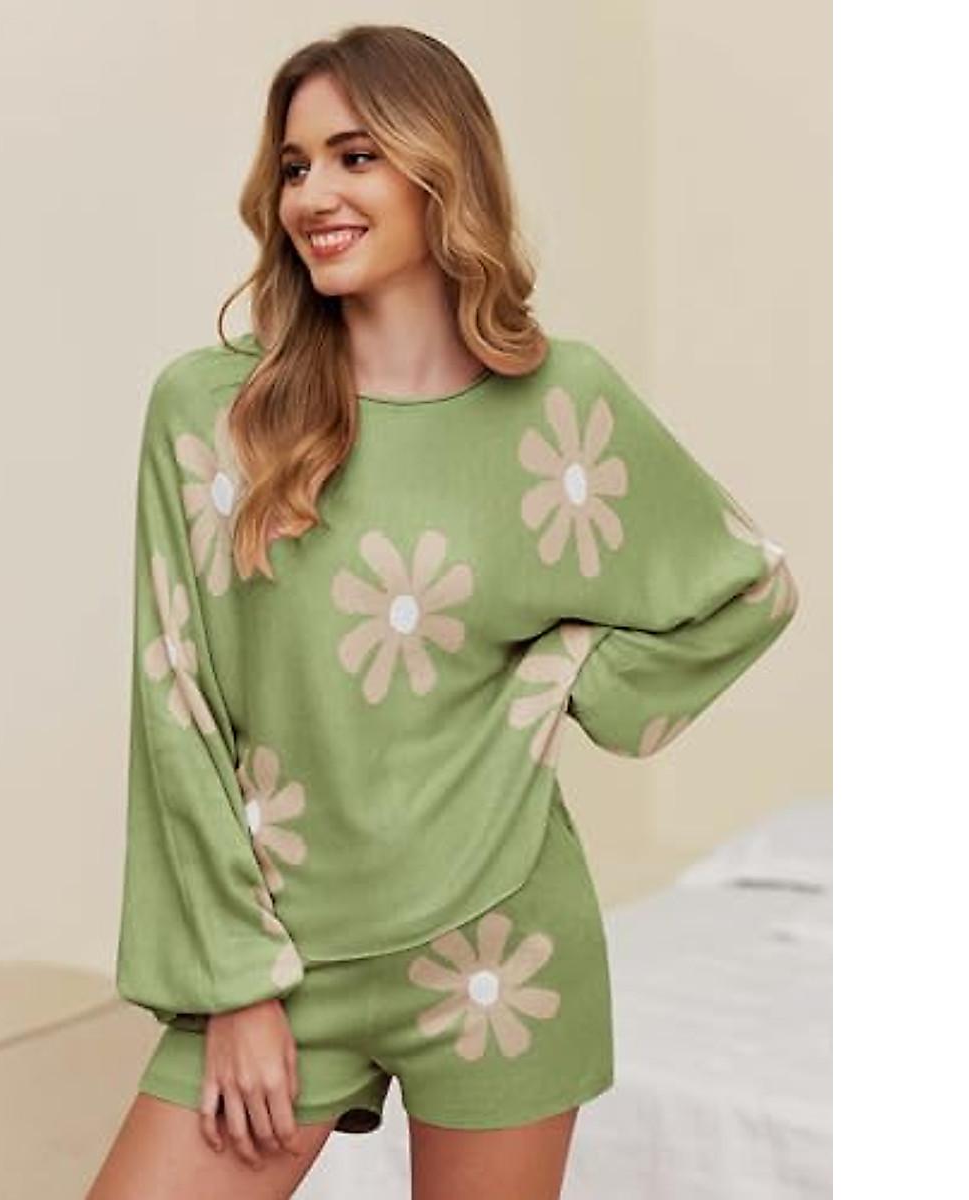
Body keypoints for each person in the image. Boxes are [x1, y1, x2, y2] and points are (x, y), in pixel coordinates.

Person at [87, 22, 799, 1200]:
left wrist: (559, 672)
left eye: (356, 156)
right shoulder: (213, 416)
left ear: (440, 169)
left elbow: (746, 585)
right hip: (284, 959)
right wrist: (234, 987)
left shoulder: (559, 404)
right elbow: (180, 707)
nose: (314, 193)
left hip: (502, 946)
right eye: (297, 165)